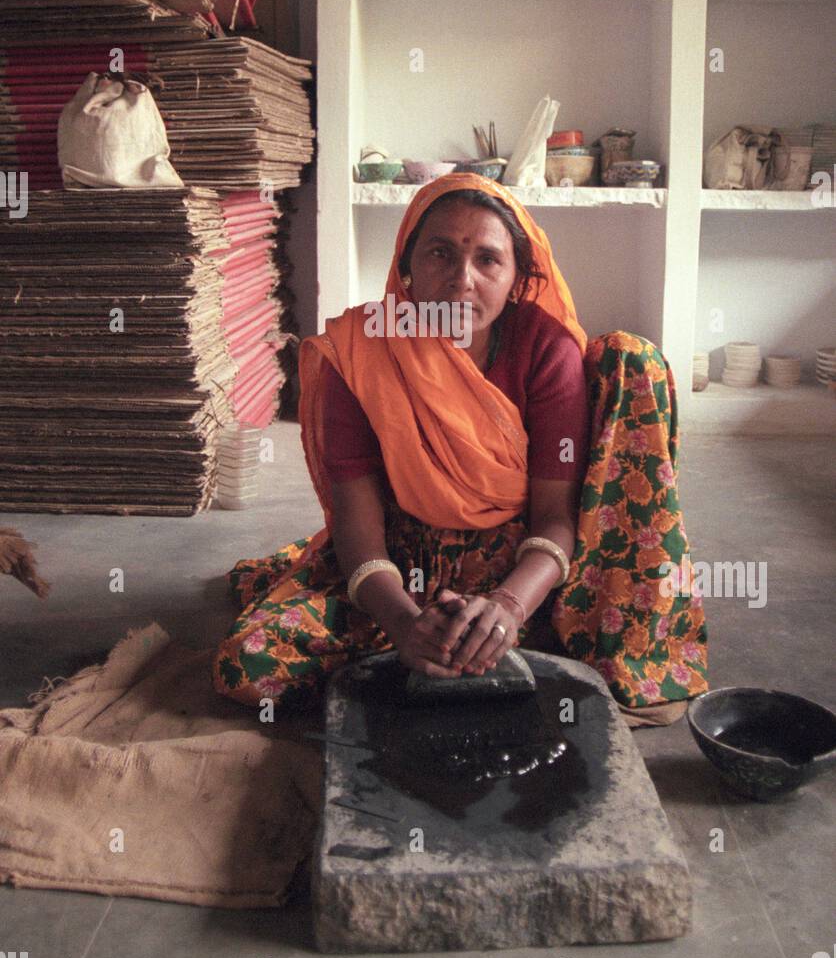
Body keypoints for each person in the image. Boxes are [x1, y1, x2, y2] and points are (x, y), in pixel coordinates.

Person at [213, 173, 708, 727]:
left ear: (518, 277)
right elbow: (358, 527)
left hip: (526, 566)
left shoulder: (543, 348)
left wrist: (507, 608)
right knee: (249, 666)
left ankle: (496, 637)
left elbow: (554, 515)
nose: (461, 280)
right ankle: (455, 645)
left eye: (488, 260)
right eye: (440, 254)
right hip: (403, 566)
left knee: (631, 356)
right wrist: (405, 625)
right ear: (407, 266)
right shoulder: (359, 354)